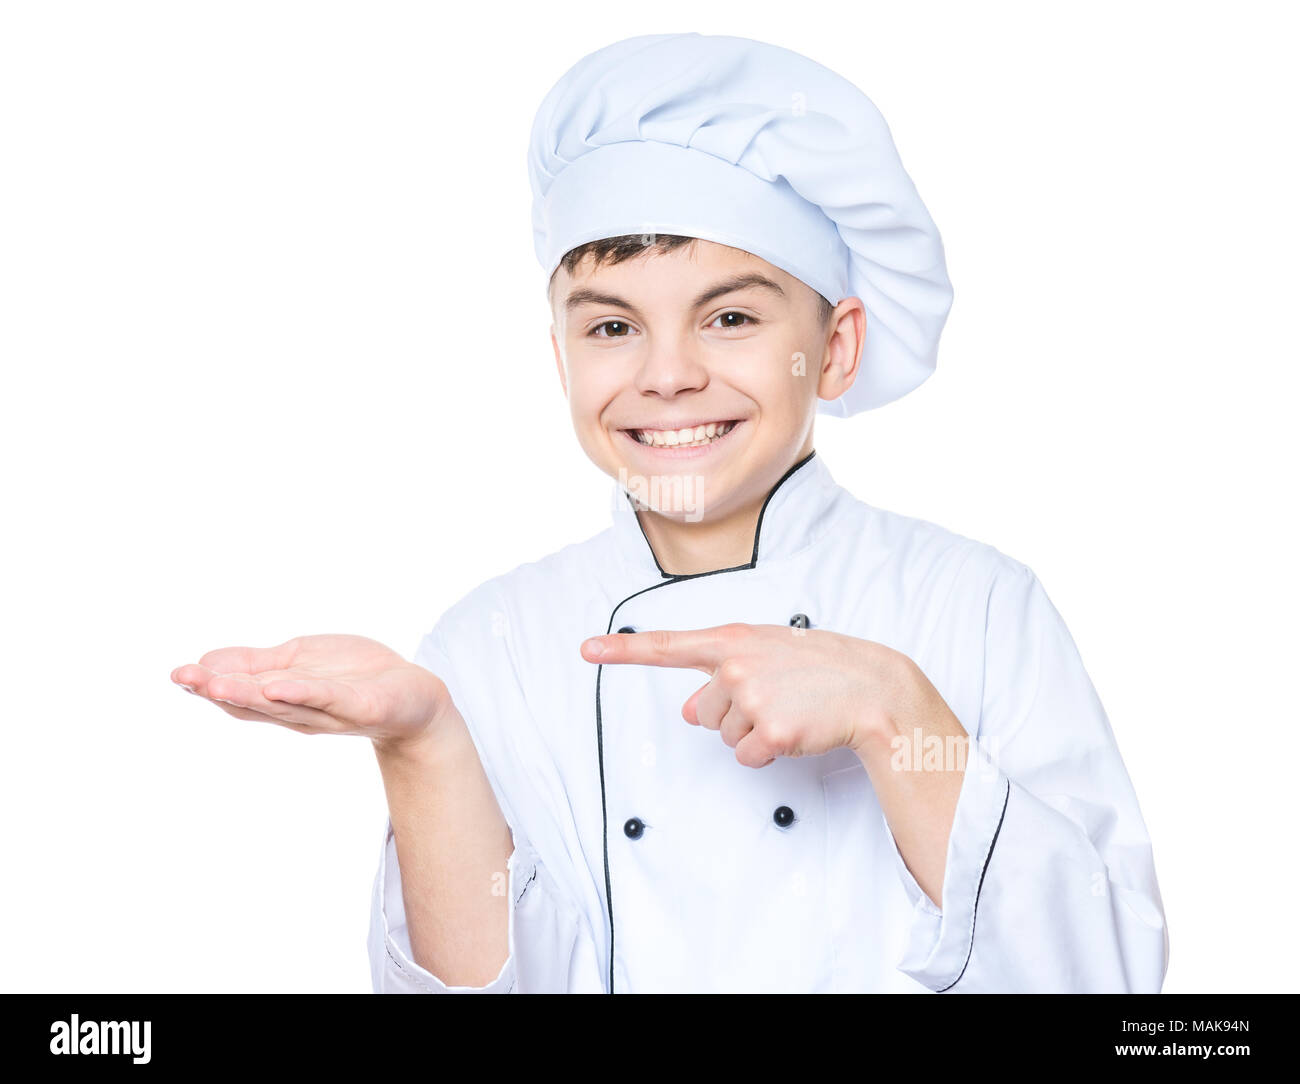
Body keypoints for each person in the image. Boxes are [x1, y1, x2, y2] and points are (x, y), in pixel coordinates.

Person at [170, 32, 1169, 993]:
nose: (668, 376)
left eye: (730, 316)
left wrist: (892, 711)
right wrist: (423, 740)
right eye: (612, 326)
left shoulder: (974, 604)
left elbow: (1110, 987)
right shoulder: (494, 641)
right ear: (560, 358)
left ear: (834, 347)